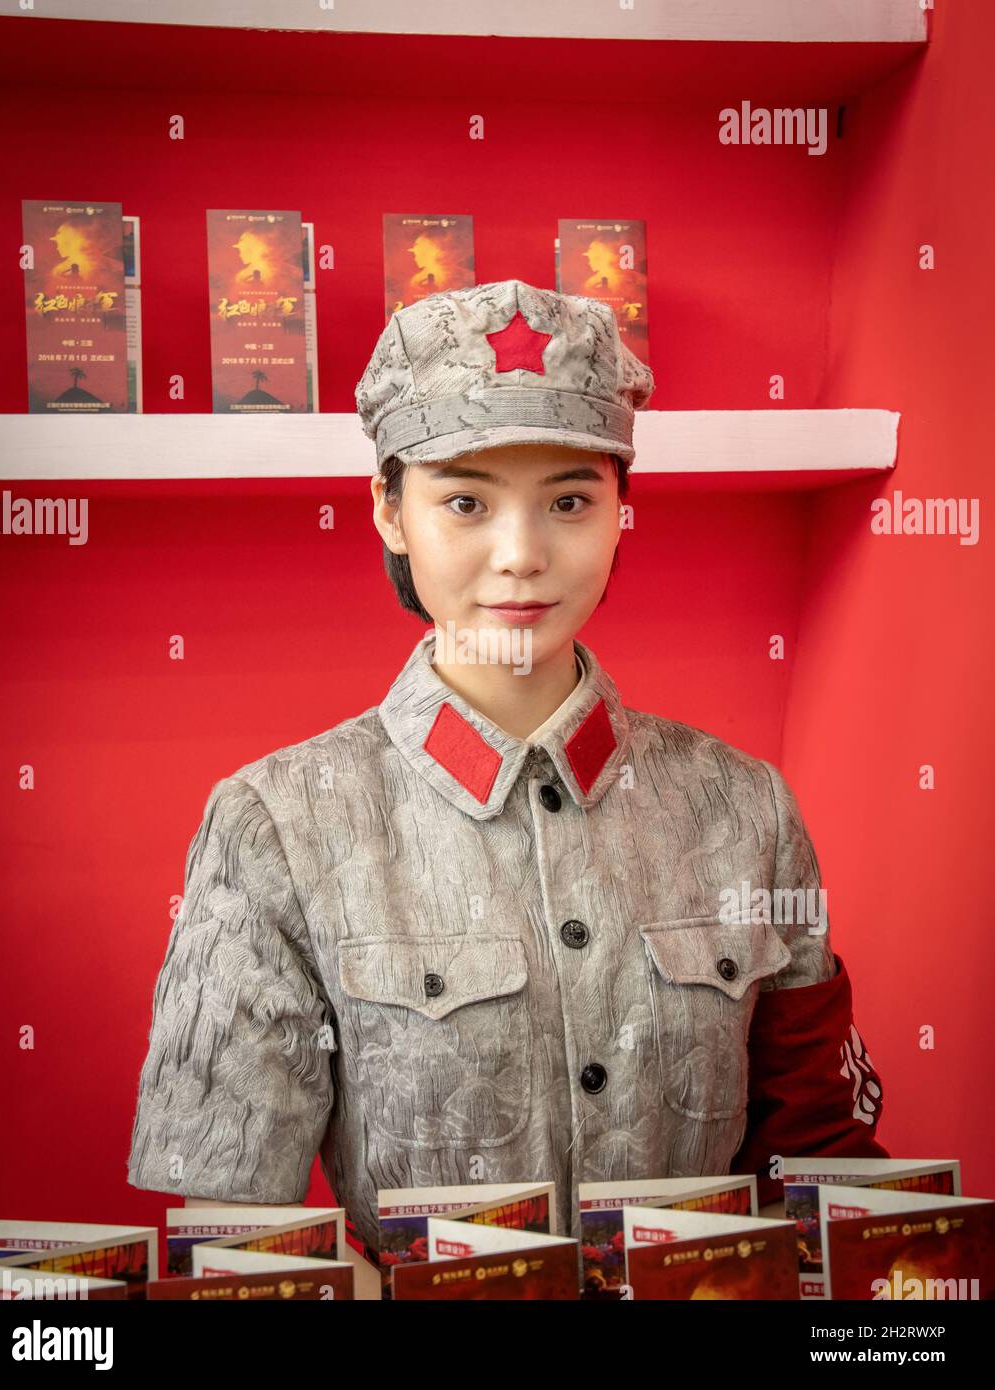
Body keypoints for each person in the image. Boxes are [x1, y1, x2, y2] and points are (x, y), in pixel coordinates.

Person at [126, 278, 888, 1262]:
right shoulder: (273, 823)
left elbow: (825, 1164)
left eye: (569, 499)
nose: (521, 555)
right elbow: (234, 1225)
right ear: (389, 511)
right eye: (465, 502)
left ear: (622, 510)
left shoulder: (747, 810)